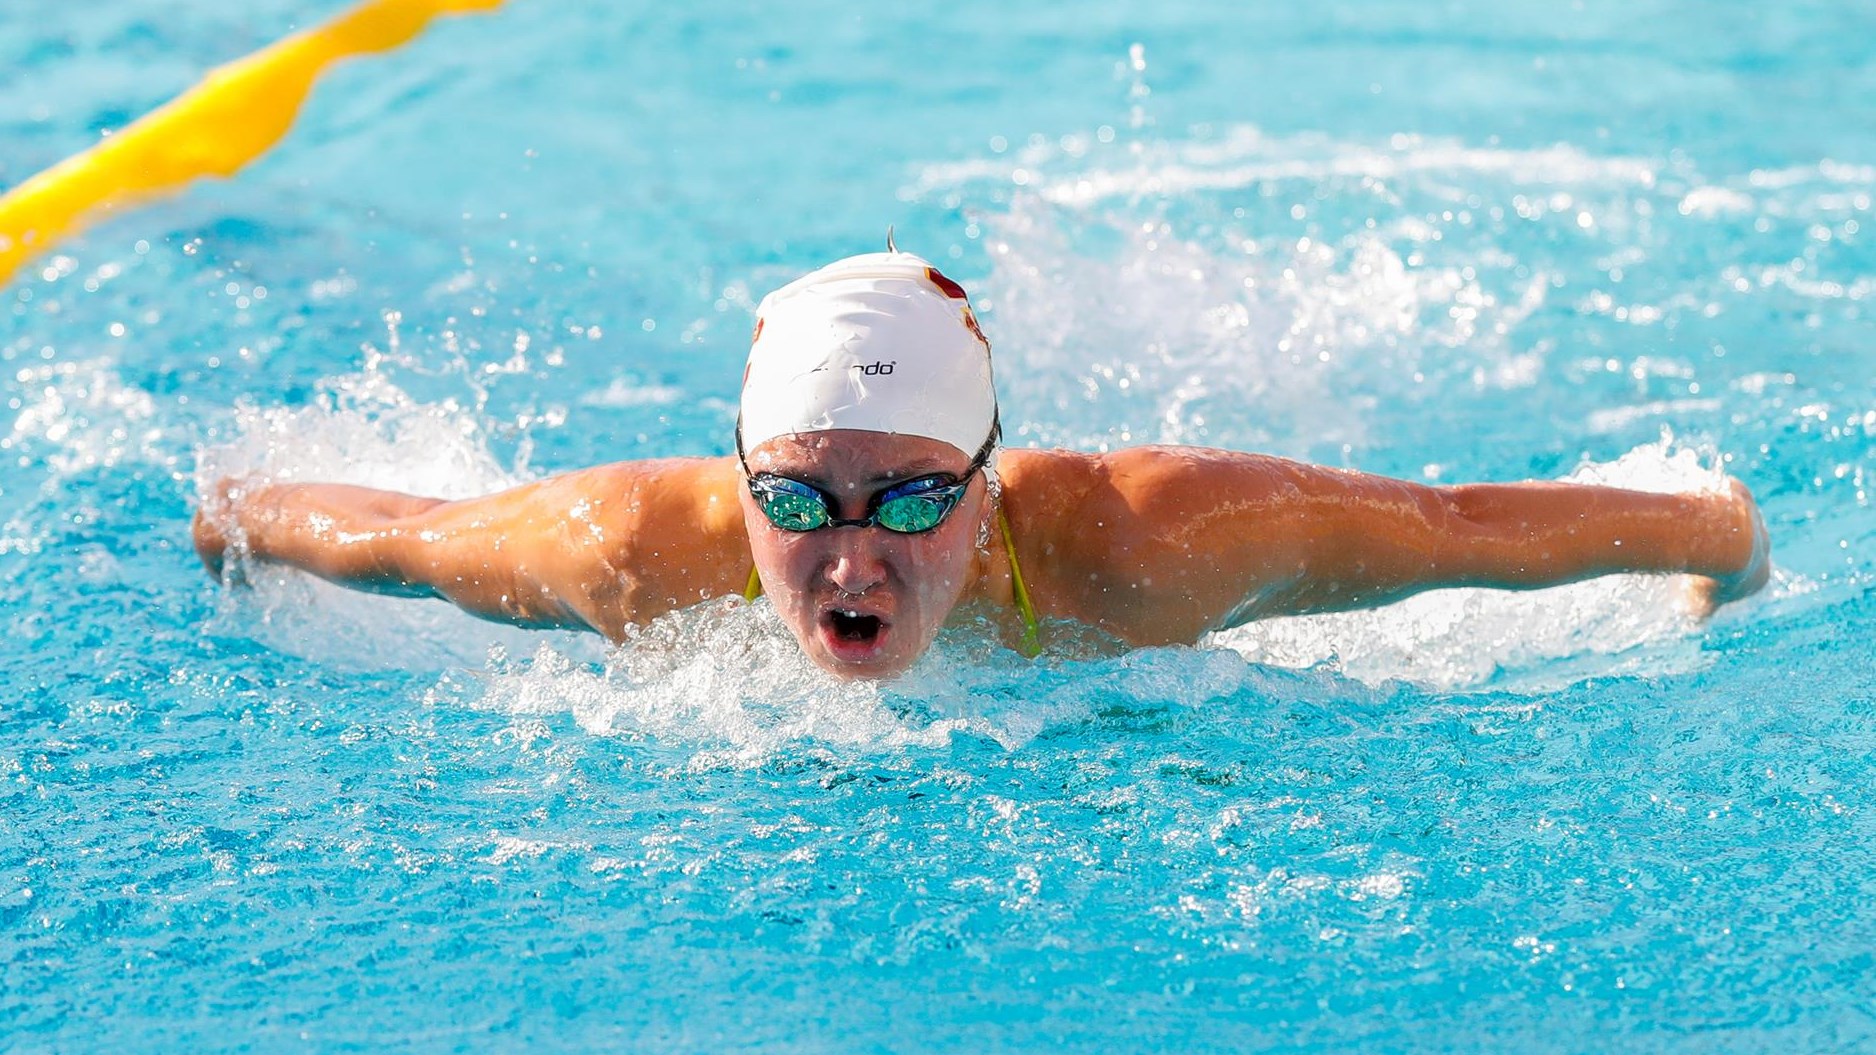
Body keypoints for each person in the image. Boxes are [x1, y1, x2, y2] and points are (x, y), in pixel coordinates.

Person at [192, 249, 1771, 679]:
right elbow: (394, 535)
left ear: (992, 484)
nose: (853, 560)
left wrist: (1716, 532)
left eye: (916, 498)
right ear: (734, 484)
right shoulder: (624, 552)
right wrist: (235, 517)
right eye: (799, 503)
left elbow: (1455, 527)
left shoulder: (1157, 546)